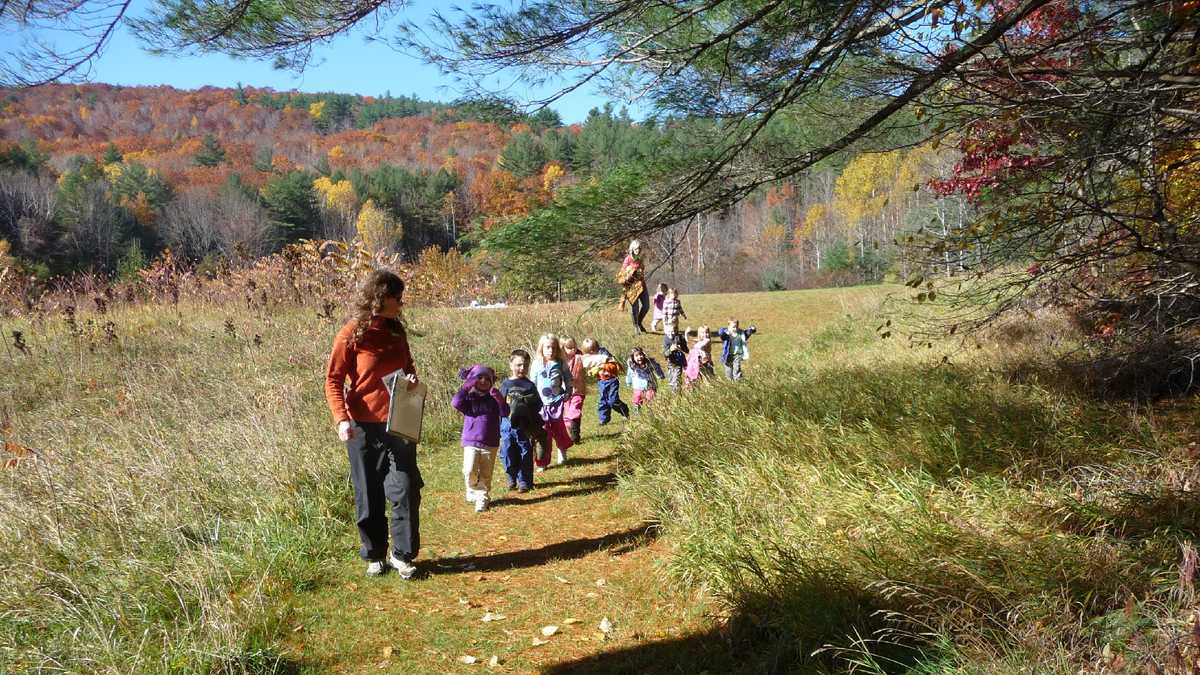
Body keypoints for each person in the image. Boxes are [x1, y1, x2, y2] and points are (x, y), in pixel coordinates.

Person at [325, 269, 422, 579]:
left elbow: (408, 367)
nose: (402, 305)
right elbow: (334, 379)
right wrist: (341, 419)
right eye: (398, 298)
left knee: (405, 488)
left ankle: (402, 554)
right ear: (380, 298)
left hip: (400, 421)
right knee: (368, 493)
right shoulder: (351, 333)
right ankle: (374, 553)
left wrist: (410, 382)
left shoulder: (396, 331)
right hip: (362, 427)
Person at [452, 364, 508, 512]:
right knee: (469, 469)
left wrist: (500, 399)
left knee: (485, 473)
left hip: (490, 443)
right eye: (479, 378)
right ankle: (472, 489)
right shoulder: (469, 398)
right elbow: (455, 403)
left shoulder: (493, 399)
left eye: (487, 379)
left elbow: (504, 413)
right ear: (472, 380)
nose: (483, 381)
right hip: (471, 441)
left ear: (492, 382)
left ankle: (482, 498)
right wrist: (465, 388)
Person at [499, 349, 542, 492]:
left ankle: (524, 480)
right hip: (507, 425)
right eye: (518, 365)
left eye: (525, 365)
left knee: (525, 451)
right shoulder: (505, 385)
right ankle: (511, 476)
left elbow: (538, 404)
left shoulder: (529, 385)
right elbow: (499, 405)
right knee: (507, 450)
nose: (522, 368)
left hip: (524, 425)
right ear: (511, 365)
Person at [533, 333, 575, 470]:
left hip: (556, 401)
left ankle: (562, 452)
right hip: (540, 404)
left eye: (554, 348)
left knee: (558, 428)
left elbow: (568, 378)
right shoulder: (536, 364)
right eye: (548, 348)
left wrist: (568, 391)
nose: (551, 351)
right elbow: (532, 382)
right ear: (542, 348)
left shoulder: (560, 363)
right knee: (544, 433)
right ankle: (542, 461)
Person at [581, 338, 631, 425]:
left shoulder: (603, 353)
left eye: (591, 351)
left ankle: (624, 410)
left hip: (612, 380)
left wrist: (599, 367)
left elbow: (609, 363)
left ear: (594, 349)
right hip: (601, 381)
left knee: (613, 400)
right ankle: (604, 419)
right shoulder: (591, 357)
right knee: (603, 400)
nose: (590, 354)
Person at [617, 239, 650, 334]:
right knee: (635, 308)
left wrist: (640, 272)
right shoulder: (628, 259)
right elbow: (622, 272)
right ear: (632, 249)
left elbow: (642, 270)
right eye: (636, 248)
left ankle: (639, 322)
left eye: (639, 248)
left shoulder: (640, 259)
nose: (638, 250)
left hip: (642, 285)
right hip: (631, 287)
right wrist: (630, 272)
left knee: (646, 306)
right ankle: (636, 326)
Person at [560, 336, 587, 443]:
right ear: (562, 348)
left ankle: (575, 435)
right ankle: (569, 432)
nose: (573, 349)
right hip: (565, 392)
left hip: (578, 390)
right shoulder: (560, 361)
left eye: (574, 347)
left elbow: (590, 360)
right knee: (566, 414)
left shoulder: (579, 358)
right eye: (569, 348)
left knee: (574, 410)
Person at [626, 346, 665, 412]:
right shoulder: (632, 366)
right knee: (637, 399)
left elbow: (657, 367)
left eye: (641, 354)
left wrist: (660, 375)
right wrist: (628, 382)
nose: (639, 357)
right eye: (636, 356)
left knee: (650, 398)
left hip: (650, 385)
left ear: (643, 355)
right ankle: (637, 413)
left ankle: (651, 413)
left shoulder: (649, 363)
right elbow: (629, 374)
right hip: (638, 386)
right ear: (633, 357)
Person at [660, 287, 688, 356]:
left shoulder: (677, 301)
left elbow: (680, 308)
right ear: (669, 294)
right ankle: (669, 339)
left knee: (675, 329)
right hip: (668, 320)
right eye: (672, 294)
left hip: (675, 319)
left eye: (675, 294)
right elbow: (664, 312)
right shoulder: (666, 302)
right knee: (669, 330)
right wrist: (665, 320)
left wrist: (683, 315)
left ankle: (676, 340)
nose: (674, 295)